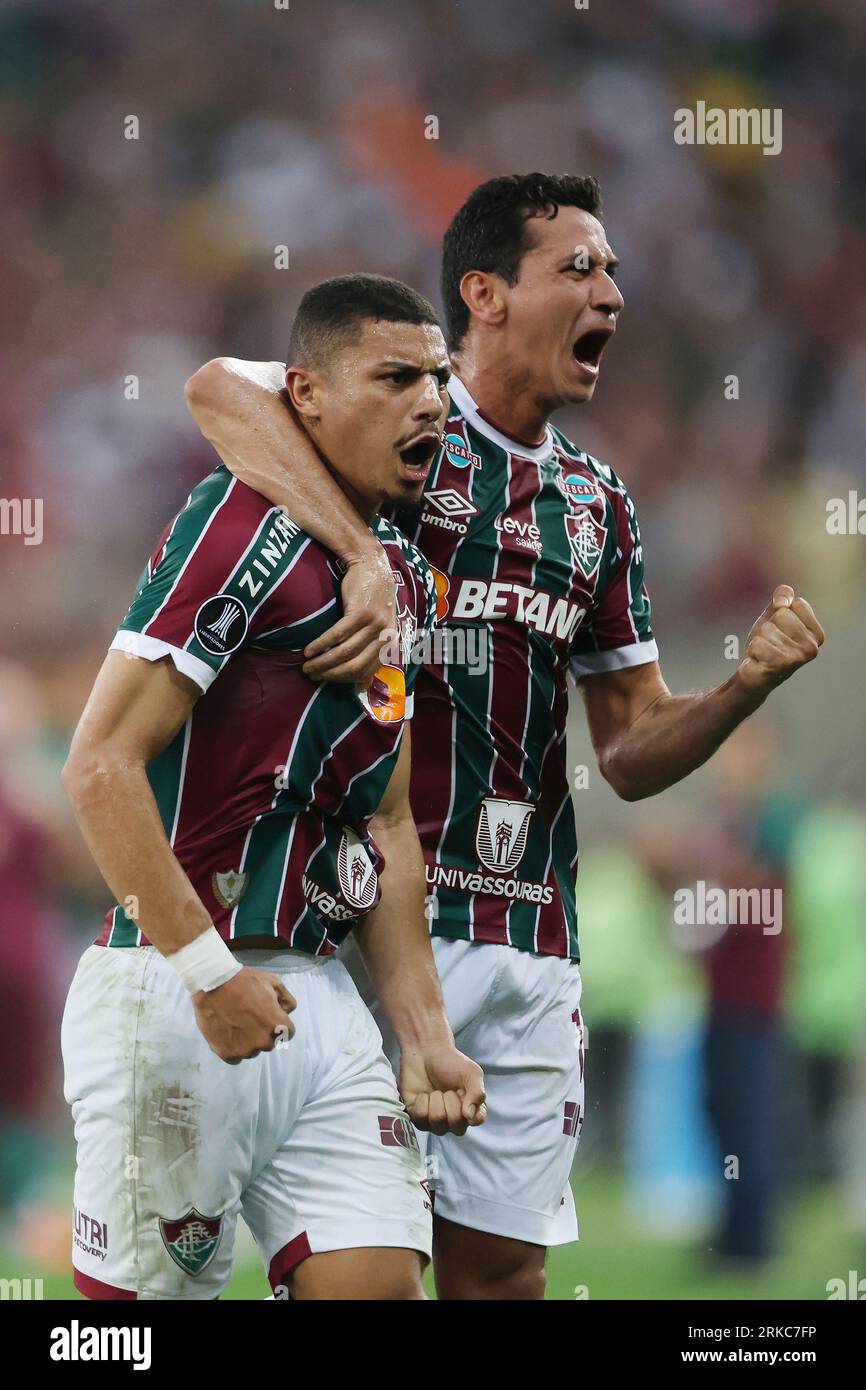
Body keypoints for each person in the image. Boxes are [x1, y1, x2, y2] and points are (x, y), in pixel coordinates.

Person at [185, 173, 825, 1300]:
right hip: (374, 923)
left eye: (615, 271)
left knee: (502, 1281)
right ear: (482, 292)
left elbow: (626, 752)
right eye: (579, 268)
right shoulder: (392, 428)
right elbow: (218, 391)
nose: (612, 295)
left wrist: (741, 690)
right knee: (361, 1275)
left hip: (527, 936)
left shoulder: (595, 505)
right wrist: (365, 548)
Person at [60, 274, 486, 1302]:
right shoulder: (237, 522)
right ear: (304, 395)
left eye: (437, 376)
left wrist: (425, 1032)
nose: (431, 399)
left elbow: (383, 816)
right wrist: (209, 977)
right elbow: (99, 764)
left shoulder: (408, 561)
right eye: (394, 378)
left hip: (324, 1007)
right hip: (174, 989)